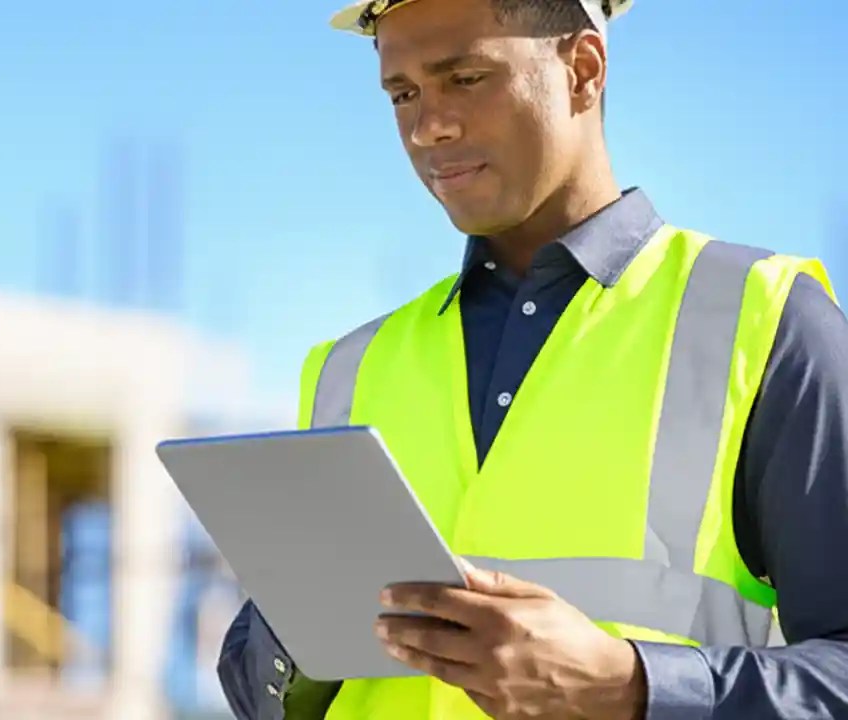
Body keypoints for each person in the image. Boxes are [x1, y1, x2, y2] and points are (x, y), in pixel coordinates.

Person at [216, 0, 848, 718]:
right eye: (404, 94)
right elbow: (263, 693)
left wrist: (630, 686)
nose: (429, 127)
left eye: (466, 78)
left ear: (582, 69)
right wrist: (294, 620)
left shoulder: (762, 322)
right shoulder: (348, 369)